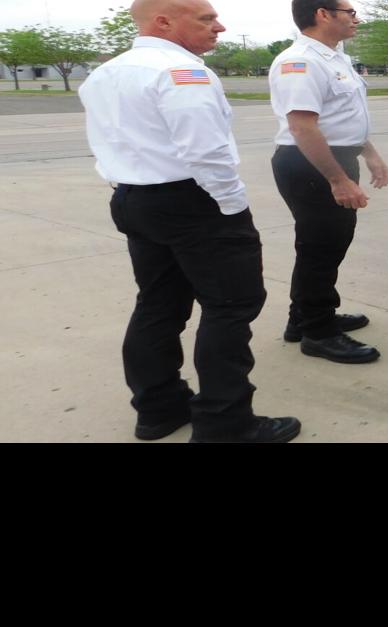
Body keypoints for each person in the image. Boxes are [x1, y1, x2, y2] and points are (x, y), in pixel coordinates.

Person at [78, 0, 300, 443]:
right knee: (231, 306)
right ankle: (225, 423)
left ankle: (158, 410)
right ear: (164, 22)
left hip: (134, 198)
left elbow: (109, 141)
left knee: (158, 303)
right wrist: (232, 205)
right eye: (206, 18)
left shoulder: (104, 73)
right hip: (193, 202)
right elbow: (207, 152)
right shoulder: (182, 72)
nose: (220, 27)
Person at [268, 0, 386, 364]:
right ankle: (318, 333)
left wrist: (369, 152)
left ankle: (302, 318)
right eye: (350, 12)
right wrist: (337, 179)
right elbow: (303, 126)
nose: (356, 19)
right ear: (323, 14)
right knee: (321, 248)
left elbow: (342, 116)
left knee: (325, 245)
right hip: (311, 164)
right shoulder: (300, 62)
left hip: (334, 157)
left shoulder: (335, 57)